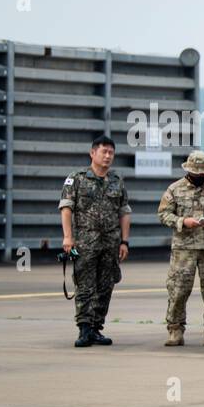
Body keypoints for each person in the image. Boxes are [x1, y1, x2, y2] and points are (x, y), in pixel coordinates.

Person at [156, 150, 204, 347]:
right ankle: (175, 330)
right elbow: (163, 214)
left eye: (203, 172)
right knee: (178, 290)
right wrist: (184, 221)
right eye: (196, 172)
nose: (199, 175)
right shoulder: (174, 189)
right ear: (189, 169)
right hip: (183, 249)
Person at [58, 135, 131, 347]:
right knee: (85, 286)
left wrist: (124, 241)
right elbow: (66, 208)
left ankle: (97, 328)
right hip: (85, 242)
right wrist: (68, 237)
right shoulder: (77, 178)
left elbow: (124, 212)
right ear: (93, 153)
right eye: (103, 152)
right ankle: (84, 329)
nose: (108, 156)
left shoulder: (117, 181)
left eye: (111, 153)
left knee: (106, 286)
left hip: (110, 243)